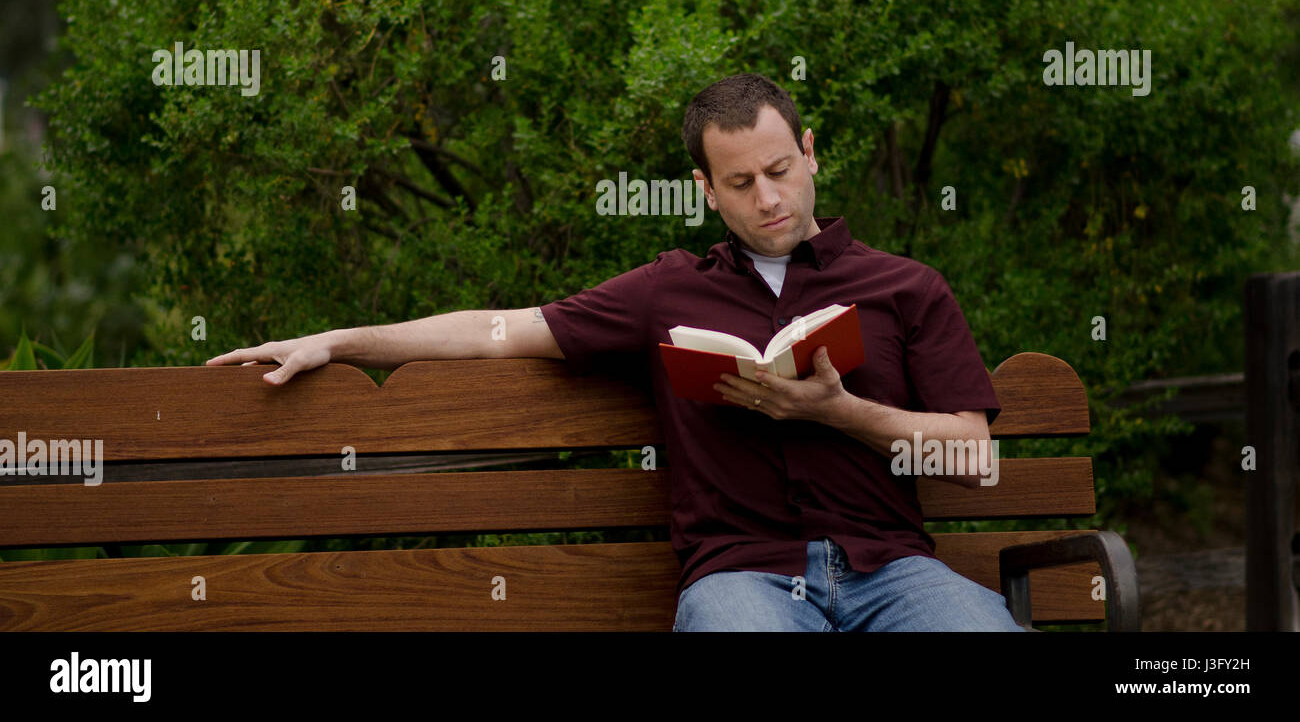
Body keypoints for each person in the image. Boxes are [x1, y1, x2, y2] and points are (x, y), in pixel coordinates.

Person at [207, 71, 1026, 632]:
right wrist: (340, 340)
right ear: (706, 189)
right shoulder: (668, 293)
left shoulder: (905, 288)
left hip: (892, 571)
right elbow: (500, 329)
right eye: (740, 183)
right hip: (746, 576)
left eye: (780, 169)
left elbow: (974, 456)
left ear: (810, 152)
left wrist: (843, 412)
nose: (768, 197)